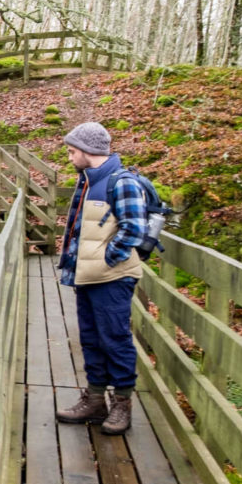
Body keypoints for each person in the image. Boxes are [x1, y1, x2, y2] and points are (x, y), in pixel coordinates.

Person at [54, 121, 147, 435]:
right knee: (91, 339)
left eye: (71, 151)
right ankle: (95, 400)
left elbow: (134, 228)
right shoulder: (87, 180)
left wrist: (108, 259)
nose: (69, 157)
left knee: (115, 339)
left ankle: (122, 403)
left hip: (111, 278)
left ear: (87, 151)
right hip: (87, 276)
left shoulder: (121, 182)